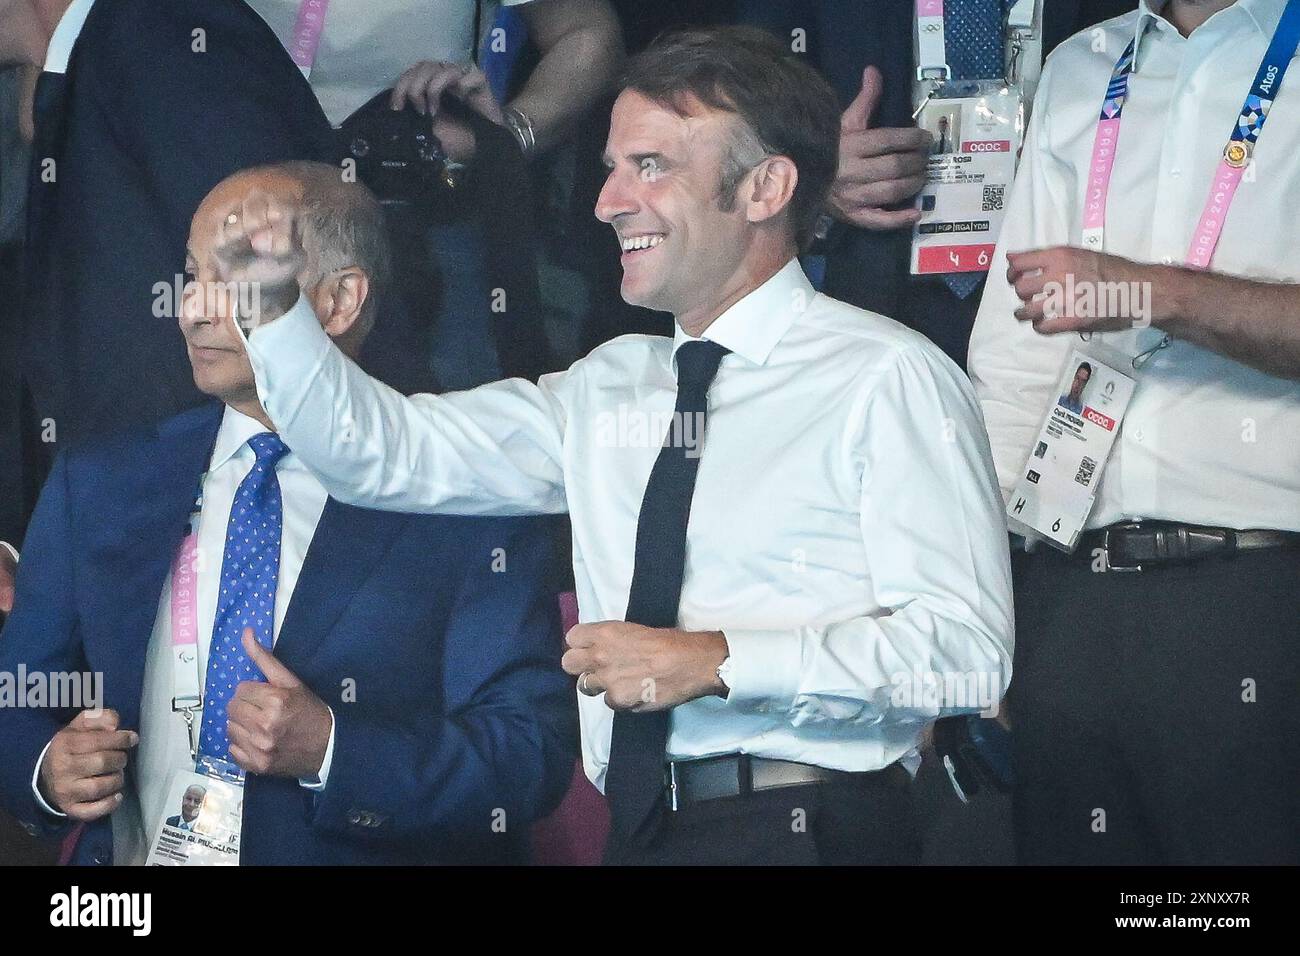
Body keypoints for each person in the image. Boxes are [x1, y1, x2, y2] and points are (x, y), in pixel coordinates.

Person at [224, 27, 1014, 865]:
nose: (607, 202)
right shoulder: (608, 387)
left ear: (765, 188)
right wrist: (276, 314)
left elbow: (967, 658)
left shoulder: (887, 376)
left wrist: (718, 662)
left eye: (651, 166)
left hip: (814, 829)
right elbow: (378, 453)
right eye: (609, 168)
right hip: (641, 832)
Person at [0, 162, 575, 866]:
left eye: (237, 279)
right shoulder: (101, 480)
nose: (192, 310)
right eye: (191, 275)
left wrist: (335, 749)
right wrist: (47, 769)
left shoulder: (466, 493)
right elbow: (17, 694)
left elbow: (528, 756)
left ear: (337, 303)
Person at [969, 0, 1300, 864]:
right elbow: (1012, 366)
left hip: (1265, 582)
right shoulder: (1085, 61)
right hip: (1071, 593)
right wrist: (984, 598)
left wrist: (1154, 293)